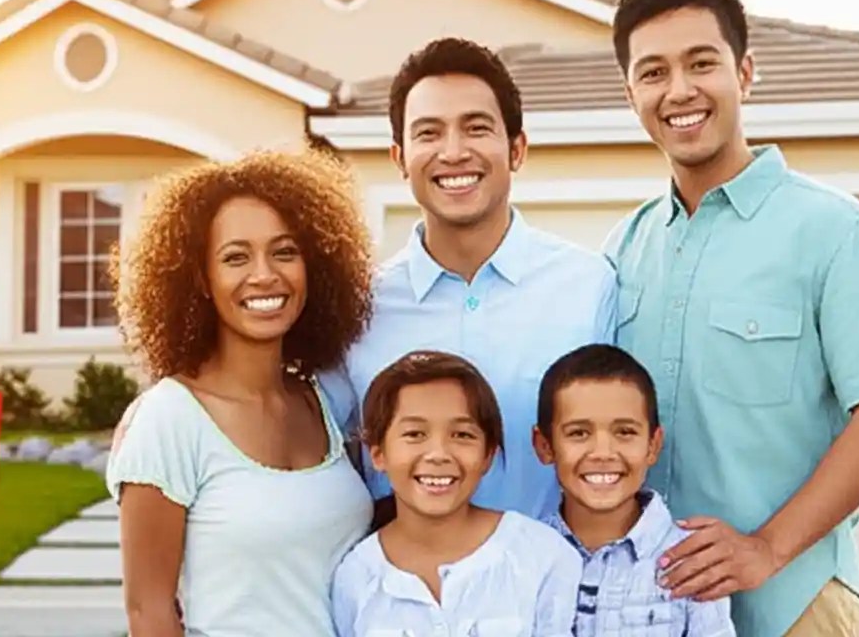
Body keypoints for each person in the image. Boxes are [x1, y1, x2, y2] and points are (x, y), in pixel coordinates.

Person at [602, 0, 859, 637]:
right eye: (654, 72)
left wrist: (766, 549)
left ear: (744, 73)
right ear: (631, 91)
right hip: (652, 613)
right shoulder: (624, 247)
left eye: (702, 63)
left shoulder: (834, 231)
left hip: (794, 605)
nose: (680, 90)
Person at [318, 37, 620, 523]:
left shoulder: (588, 288)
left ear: (517, 149)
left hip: (553, 591)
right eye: (429, 133)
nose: (453, 152)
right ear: (399, 158)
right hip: (397, 595)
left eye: (476, 128)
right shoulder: (357, 309)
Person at [105, 146, 378, 636]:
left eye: (285, 252)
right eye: (235, 257)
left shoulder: (321, 401)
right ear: (202, 280)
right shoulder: (169, 419)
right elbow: (149, 613)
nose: (264, 275)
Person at [331, 349, 582, 636]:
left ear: (488, 454)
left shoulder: (540, 555)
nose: (439, 454)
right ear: (377, 454)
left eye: (462, 435)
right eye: (414, 434)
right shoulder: (356, 578)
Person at [532, 343, 736, 636]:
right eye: (579, 433)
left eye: (625, 432)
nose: (603, 452)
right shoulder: (523, 556)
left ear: (653, 446)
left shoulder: (689, 559)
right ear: (545, 446)